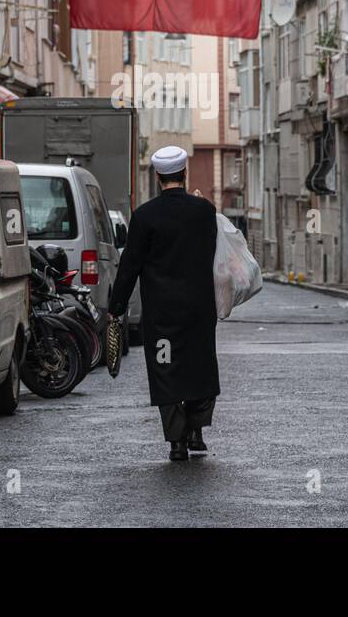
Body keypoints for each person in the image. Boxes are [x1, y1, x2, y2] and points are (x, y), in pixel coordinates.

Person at [108, 145, 219, 461]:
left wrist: (116, 307)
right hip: (199, 311)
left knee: (166, 370)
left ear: (158, 177)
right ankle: (196, 430)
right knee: (200, 368)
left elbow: (130, 266)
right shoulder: (204, 211)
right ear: (184, 173)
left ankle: (177, 442)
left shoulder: (144, 216)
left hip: (161, 315)